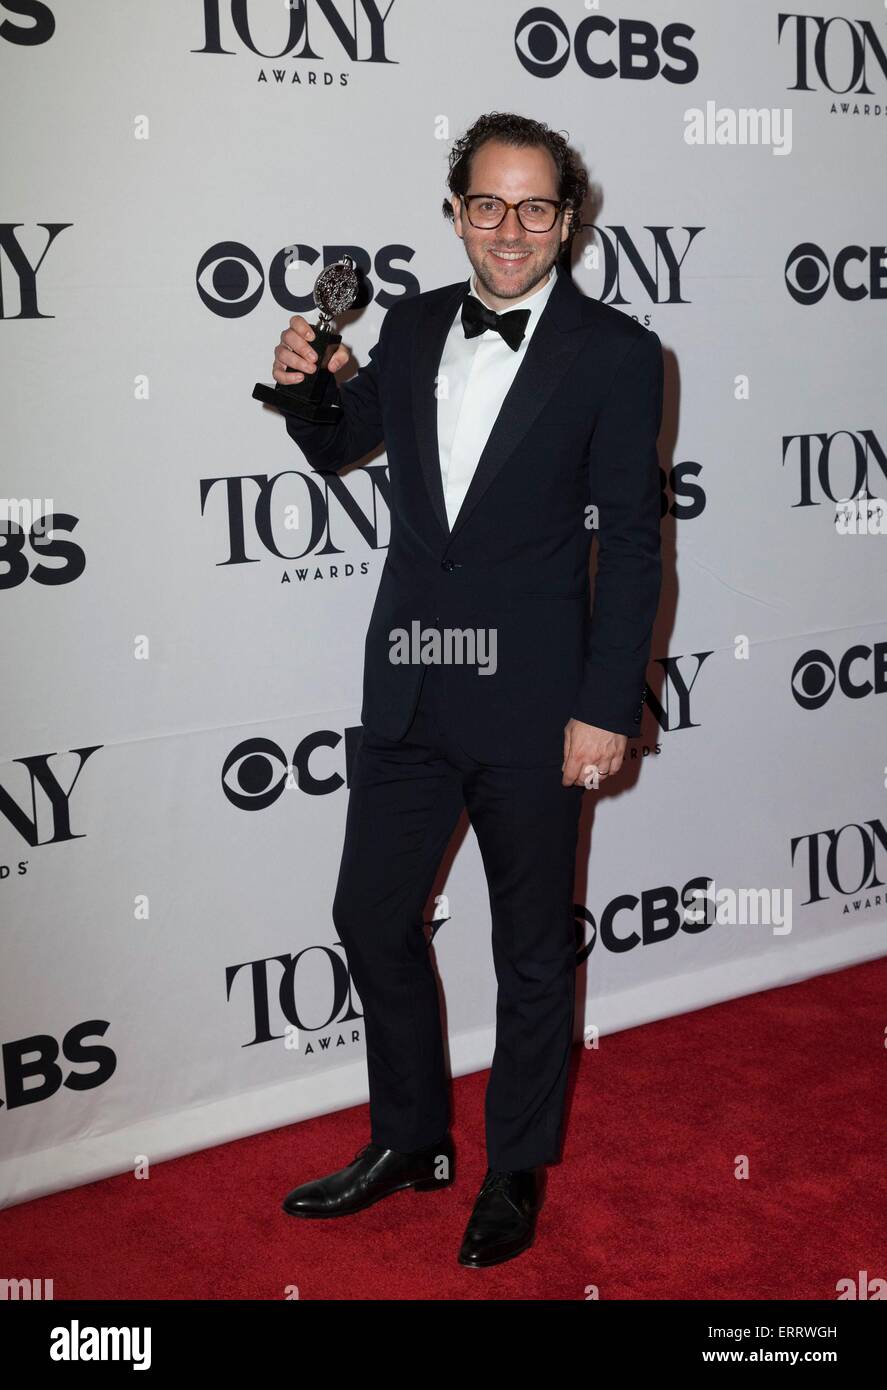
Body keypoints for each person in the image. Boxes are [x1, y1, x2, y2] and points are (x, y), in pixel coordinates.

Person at [271, 112, 664, 1268]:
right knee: (367, 914)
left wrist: (606, 704)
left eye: (534, 207)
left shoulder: (617, 353)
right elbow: (350, 443)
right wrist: (309, 387)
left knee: (531, 946)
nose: (508, 229)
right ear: (453, 211)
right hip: (410, 683)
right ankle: (410, 1139)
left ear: (568, 221)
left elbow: (634, 546)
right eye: (484, 205)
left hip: (539, 699)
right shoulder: (409, 320)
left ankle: (513, 1166)